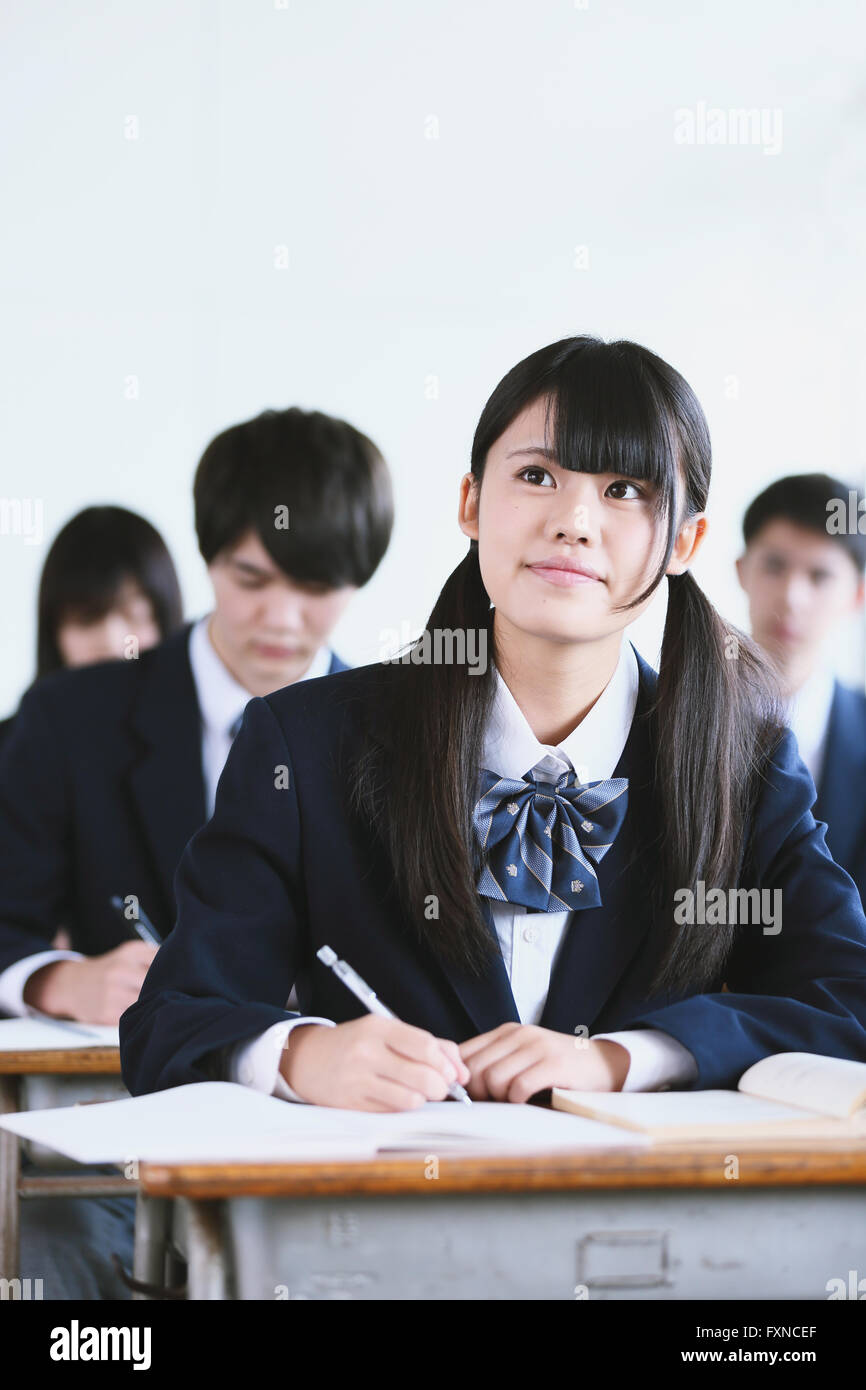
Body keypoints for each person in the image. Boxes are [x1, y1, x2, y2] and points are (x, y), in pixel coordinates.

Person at [121, 337, 866, 1114]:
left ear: (685, 542)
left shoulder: (744, 765)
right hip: (370, 1217)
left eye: (625, 490)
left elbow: (848, 1003)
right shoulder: (303, 744)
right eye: (537, 476)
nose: (574, 522)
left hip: (651, 1224)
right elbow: (169, 1022)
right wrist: (303, 1054)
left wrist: (624, 1061)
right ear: (471, 502)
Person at [0, 404, 393, 1297]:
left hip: (329, 1150)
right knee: (56, 1244)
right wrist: (52, 978)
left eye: (318, 585)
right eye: (252, 577)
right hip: (112, 1135)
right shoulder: (72, 720)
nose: (282, 619)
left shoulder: (406, 745)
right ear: (209, 555)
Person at [737, 474, 866, 907]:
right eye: (774, 566)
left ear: (857, 595)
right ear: (742, 571)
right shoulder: (670, 714)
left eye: (820, 576)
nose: (792, 596)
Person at [0, 505, 183, 747]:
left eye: (135, 614)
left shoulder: (209, 740)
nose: (112, 642)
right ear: (53, 630)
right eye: (87, 618)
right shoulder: (12, 750)